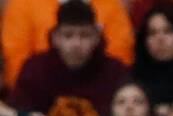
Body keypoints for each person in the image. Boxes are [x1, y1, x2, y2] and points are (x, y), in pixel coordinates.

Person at [2, 0, 134, 93]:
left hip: (100, 92)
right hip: (41, 91)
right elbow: (14, 60)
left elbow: (122, 55)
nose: (76, 43)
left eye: (84, 35)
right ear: (54, 37)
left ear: (97, 37)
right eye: (68, 35)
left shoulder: (111, 5)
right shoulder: (24, 3)